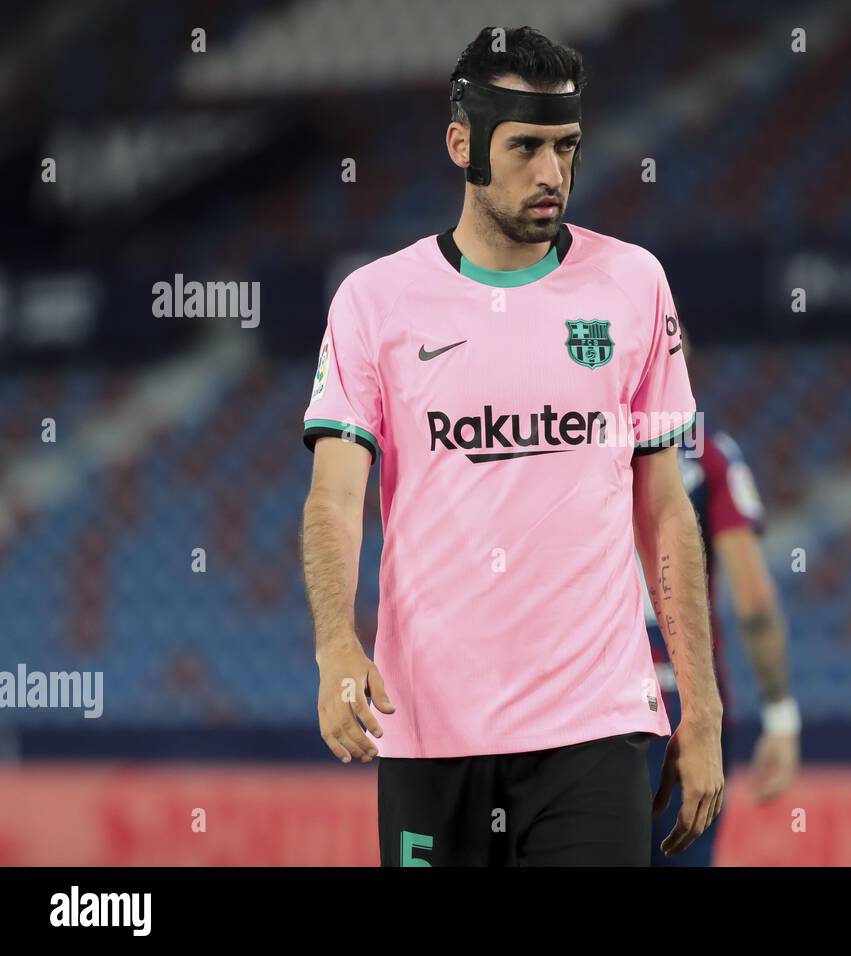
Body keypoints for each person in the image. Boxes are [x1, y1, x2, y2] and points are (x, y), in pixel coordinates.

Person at [299, 26, 722, 866]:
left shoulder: (634, 284)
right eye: (525, 146)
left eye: (565, 146)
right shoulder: (374, 303)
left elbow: (664, 508)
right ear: (463, 144)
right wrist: (336, 645)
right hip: (429, 728)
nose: (552, 172)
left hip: (595, 724)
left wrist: (702, 703)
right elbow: (335, 497)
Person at [640, 334, 800, 867]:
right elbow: (753, 597)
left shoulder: (569, 449)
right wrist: (780, 716)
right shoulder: (709, 457)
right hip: (690, 701)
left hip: (591, 701)